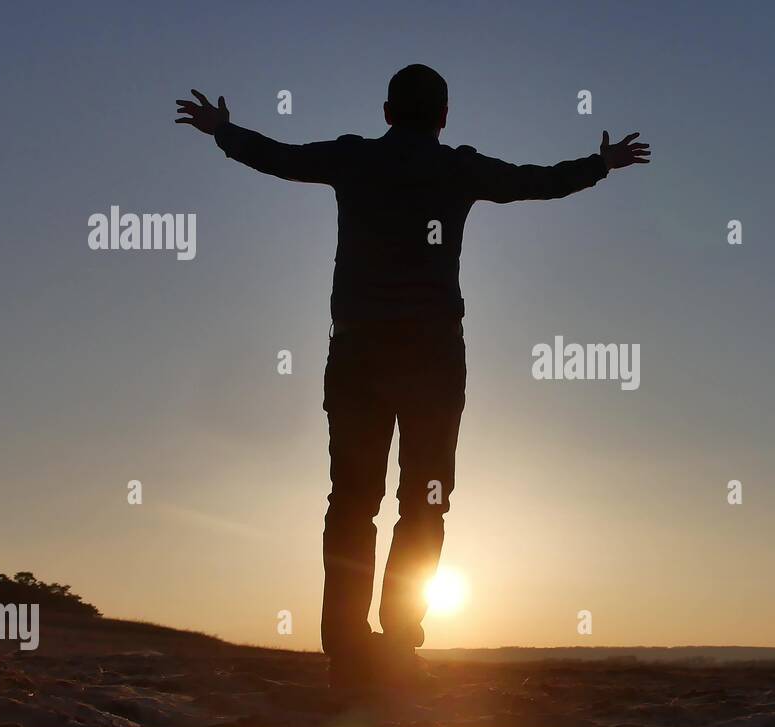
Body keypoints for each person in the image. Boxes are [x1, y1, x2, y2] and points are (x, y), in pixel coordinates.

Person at [175, 64, 650, 688]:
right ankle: (399, 642)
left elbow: (280, 158)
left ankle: (347, 646)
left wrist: (224, 131)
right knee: (424, 503)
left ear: (387, 111)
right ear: (445, 116)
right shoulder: (458, 168)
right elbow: (534, 183)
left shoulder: (355, 159)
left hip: (359, 355)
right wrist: (600, 164)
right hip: (431, 358)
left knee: (352, 500)